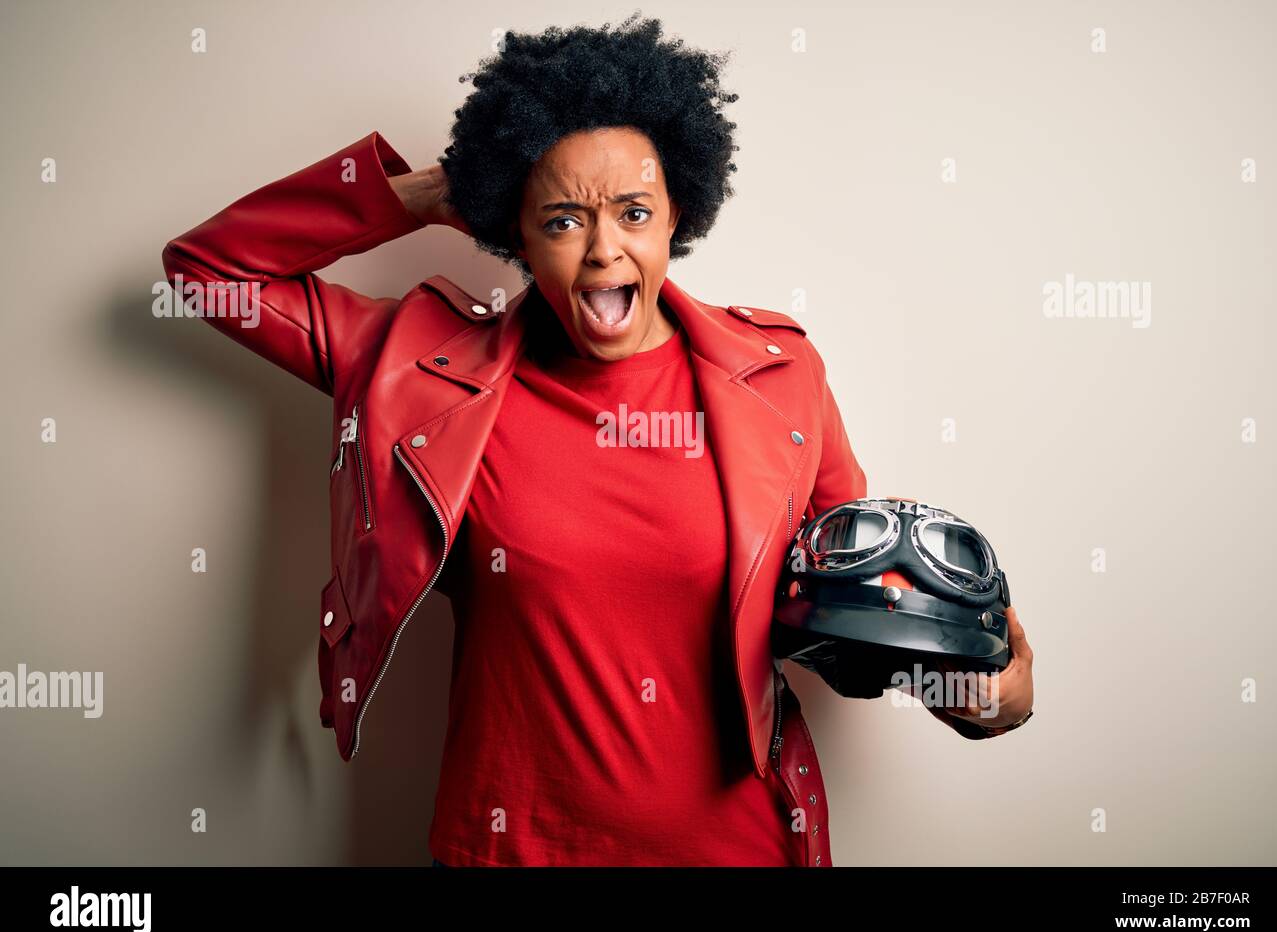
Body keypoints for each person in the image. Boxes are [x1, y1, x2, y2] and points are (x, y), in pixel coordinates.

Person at [163, 12, 1033, 868]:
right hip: (506, 851)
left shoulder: (781, 379)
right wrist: (423, 194)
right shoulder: (428, 377)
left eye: (632, 212)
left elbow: (863, 593)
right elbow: (207, 271)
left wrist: (977, 695)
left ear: (674, 217)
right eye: (564, 220)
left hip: (741, 851)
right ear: (516, 233)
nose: (604, 251)